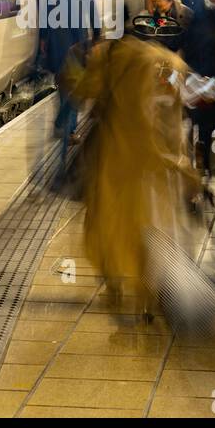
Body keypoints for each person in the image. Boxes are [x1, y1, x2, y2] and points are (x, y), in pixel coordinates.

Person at [66, 24, 197, 315]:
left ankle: (113, 280)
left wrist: (71, 69)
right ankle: (147, 296)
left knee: (107, 224)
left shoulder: (111, 58)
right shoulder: (171, 65)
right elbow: (176, 109)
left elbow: (83, 88)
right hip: (156, 160)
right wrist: (183, 164)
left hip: (115, 157)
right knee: (150, 227)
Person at [42, 0, 94, 179]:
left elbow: (44, 20)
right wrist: (97, 36)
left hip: (57, 46)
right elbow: (92, 15)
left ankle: (62, 123)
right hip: (76, 44)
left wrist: (44, 42)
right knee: (74, 86)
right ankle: (68, 128)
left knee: (63, 85)